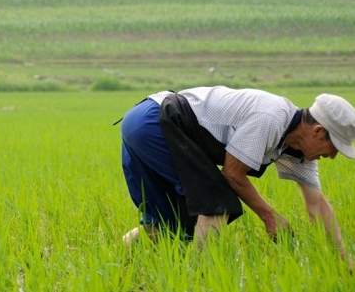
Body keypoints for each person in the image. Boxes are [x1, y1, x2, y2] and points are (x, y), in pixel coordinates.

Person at [119, 86, 355, 263]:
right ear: (317, 131)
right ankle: (199, 280)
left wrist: (343, 257)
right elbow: (232, 174)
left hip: (141, 121)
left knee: (170, 221)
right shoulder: (272, 118)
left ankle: (120, 264)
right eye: (333, 148)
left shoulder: (297, 151)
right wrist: (270, 217)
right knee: (217, 202)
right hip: (157, 121)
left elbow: (317, 205)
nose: (332, 156)